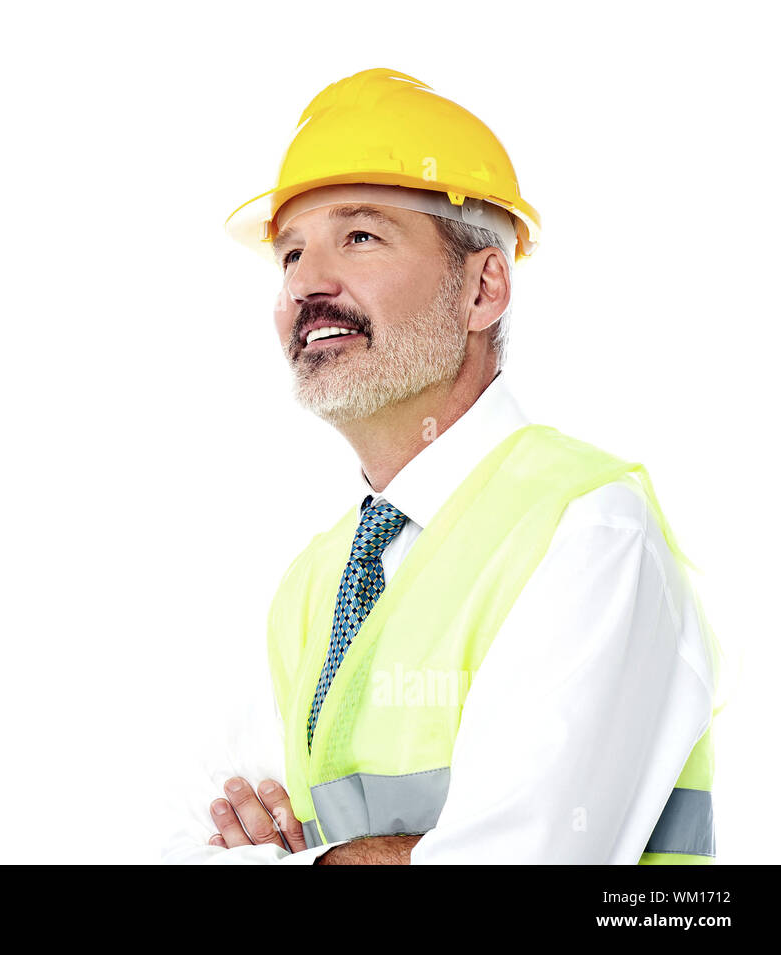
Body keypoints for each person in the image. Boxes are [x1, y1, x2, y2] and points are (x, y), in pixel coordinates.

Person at [161, 68, 723, 865]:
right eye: (290, 253)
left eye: (359, 236)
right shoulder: (311, 585)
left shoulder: (586, 529)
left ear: (482, 287)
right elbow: (180, 840)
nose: (307, 285)